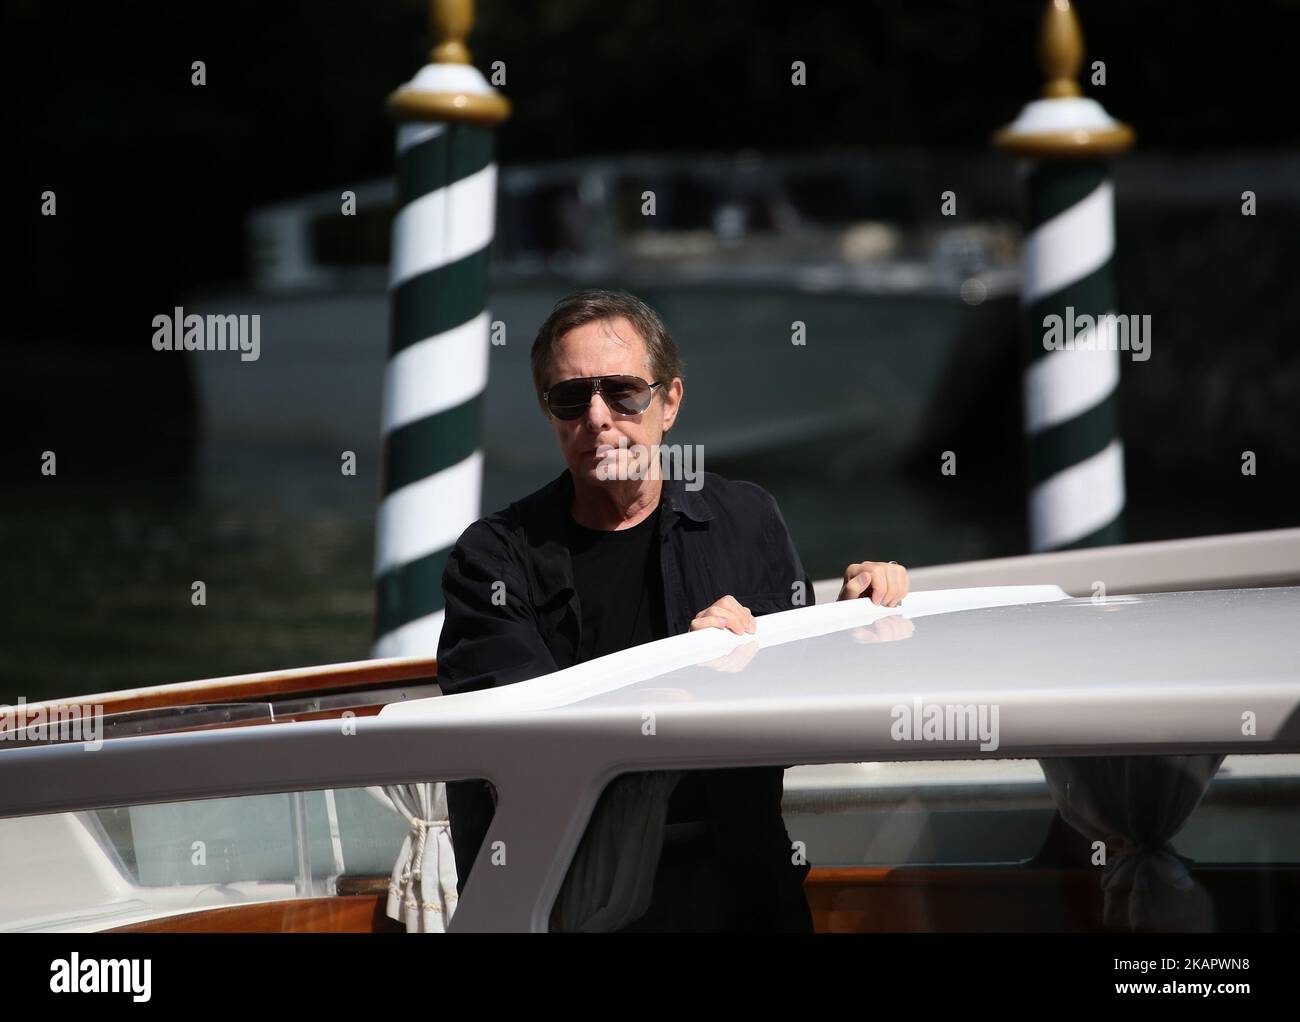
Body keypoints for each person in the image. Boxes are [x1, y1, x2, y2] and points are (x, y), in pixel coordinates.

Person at [435, 288, 909, 931]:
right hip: (571, 891)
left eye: (623, 391)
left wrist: (852, 623)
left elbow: (806, 707)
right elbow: (520, 736)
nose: (598, 417)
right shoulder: (491, 561)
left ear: (670, 403)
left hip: (742, 878)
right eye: (571, 398)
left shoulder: (747, 519)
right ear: (550, 415)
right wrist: (687, 672)